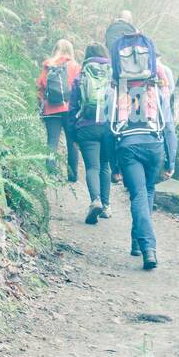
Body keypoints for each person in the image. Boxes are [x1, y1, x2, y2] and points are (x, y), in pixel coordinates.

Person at [109, 28, 176, 270]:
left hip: (128, 146)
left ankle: (146, 246)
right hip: (154, 145)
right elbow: (169, 128)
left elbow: (109, 130)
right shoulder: (156, 91)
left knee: (138, 195)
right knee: (146, 192)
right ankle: (141, 245)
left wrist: (114, 166)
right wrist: (171, 162)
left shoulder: (116, 91)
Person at [69, 43, 115, 224]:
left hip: (87, 127)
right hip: (108, 126)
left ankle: (95, 200)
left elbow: (72, 108)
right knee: (105, 166)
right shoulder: (113, 75)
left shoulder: (81, 76)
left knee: (92, 167)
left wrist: (73, 135)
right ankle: (106, 206)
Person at [36, 39, 80, 181]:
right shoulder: (74, 66)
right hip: (70, 109)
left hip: (51, 108)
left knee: (52, 141)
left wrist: (42, 101)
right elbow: (79, 87)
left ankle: (51, 174)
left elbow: (40, 85)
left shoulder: (49, 65)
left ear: (55, 49)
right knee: (72, 141)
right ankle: (72, 175)